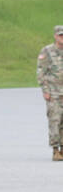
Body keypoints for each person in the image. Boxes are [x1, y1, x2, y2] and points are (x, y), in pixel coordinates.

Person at [37, 25, 63, 160]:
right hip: (54, 94)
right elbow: (41, 72)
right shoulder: (47, 51)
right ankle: (55, 150)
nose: (62, 38)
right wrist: (46, 91)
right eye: (60, 35)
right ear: (55, 36)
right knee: (55, 121)